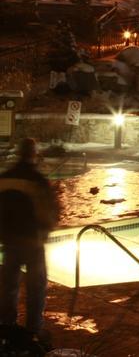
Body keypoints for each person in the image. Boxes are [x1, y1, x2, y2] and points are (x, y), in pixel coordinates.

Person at [0, 138, 59, 338]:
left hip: (10, 240)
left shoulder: (5, 178)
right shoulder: (37, 180)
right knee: (36, 287)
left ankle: (7, 324)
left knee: (9, 286)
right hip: (32, 241)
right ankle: (33, 329)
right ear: (33, 154)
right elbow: (47, 213)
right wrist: (47, 230)